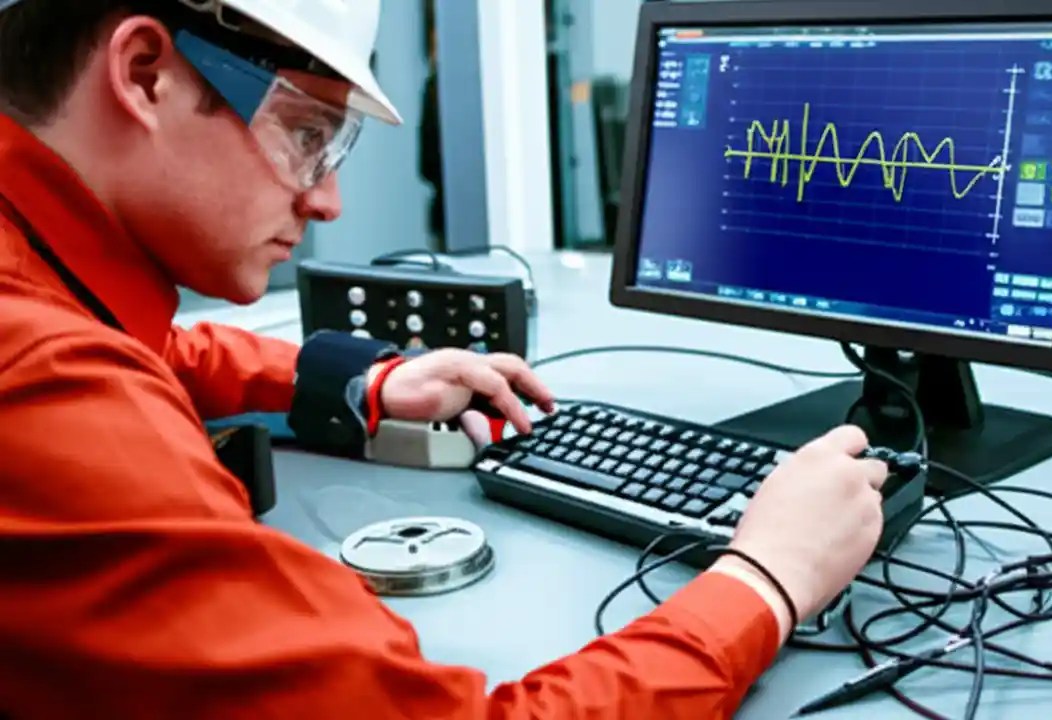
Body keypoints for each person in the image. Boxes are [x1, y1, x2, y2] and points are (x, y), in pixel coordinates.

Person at [0, 1, 889, 718]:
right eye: (306, 133)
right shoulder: (44, 387)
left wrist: (372, 380)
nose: (329, 200)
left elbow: (150, 349)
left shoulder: (36, 278)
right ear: (145, 73)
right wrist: (764, 581)